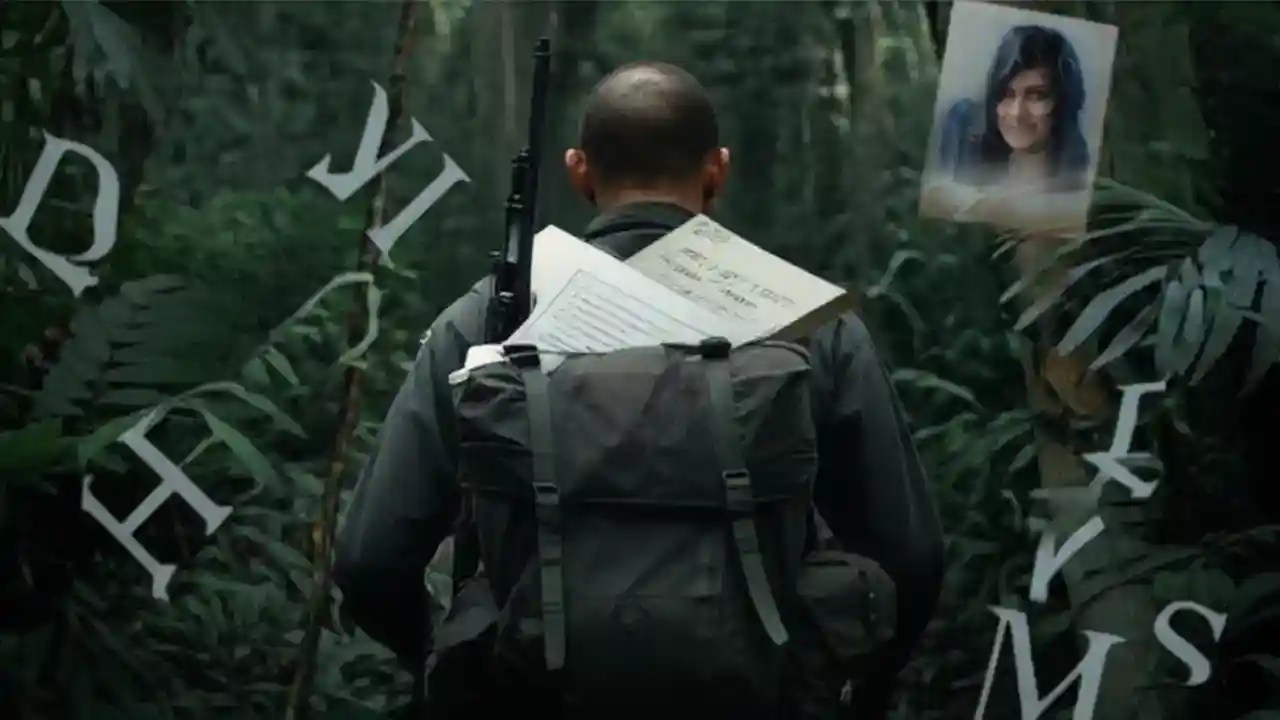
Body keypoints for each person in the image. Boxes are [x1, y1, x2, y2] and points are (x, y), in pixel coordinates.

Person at [333, 60, 945, 718]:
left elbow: (371, 560)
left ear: (579, 171)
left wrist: (448, 661)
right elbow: (910, 557)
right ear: (717, 170)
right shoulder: (808, 328)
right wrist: (853, 684)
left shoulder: (491, 320)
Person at [921, 24, 1094, 233]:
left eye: (1036, 96)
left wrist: (1005, 210)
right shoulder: (968, 151)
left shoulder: (1079, 184)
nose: (1016, 113)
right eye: (1007, 94)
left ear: (1063, 102)